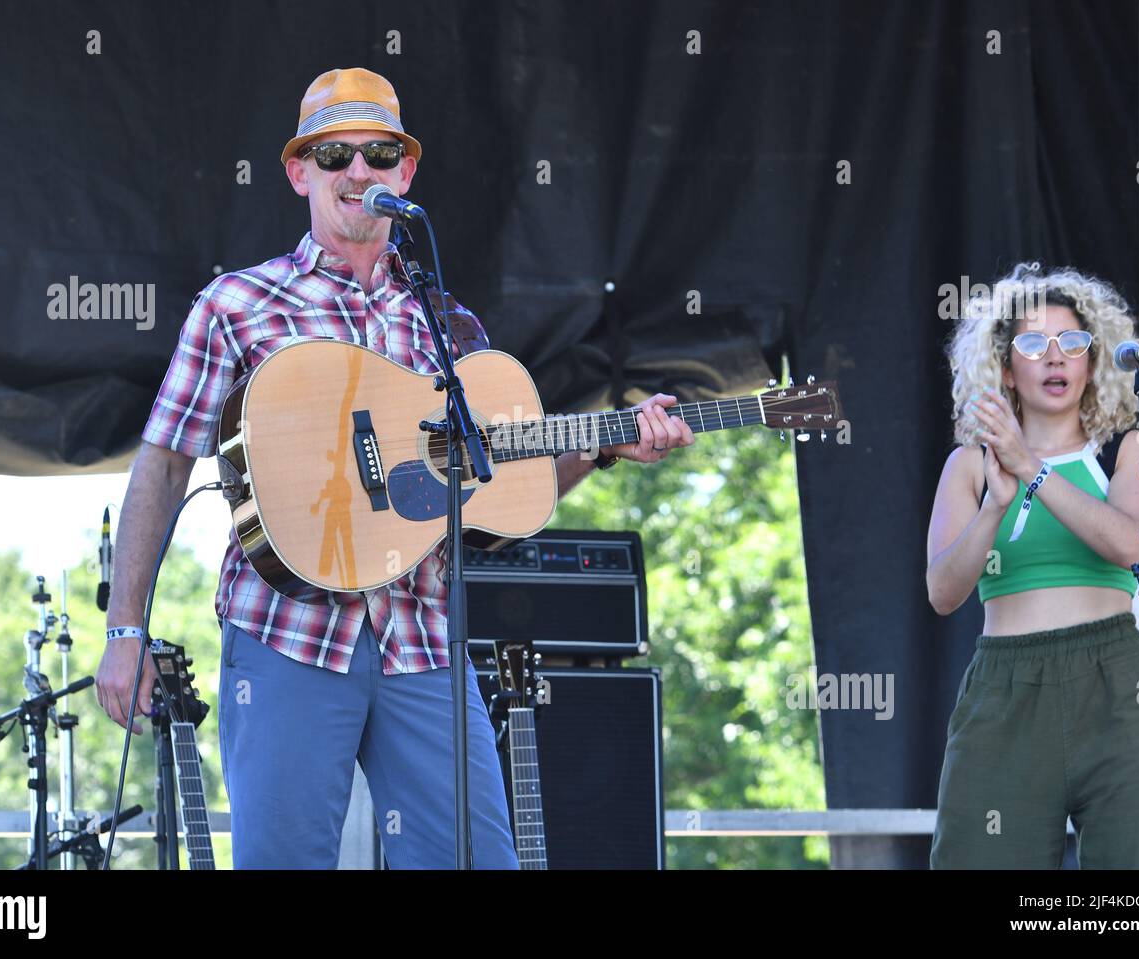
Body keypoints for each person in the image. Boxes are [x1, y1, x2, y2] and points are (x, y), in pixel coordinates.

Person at [94, 67, 694, 869]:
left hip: (422, 637)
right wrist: (125, 629)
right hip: (287, 633)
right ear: (299, 171)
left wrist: (611, 440)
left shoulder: (447, 324)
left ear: (404, 173)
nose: (358, 172)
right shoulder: (238, 304)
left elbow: (509, 485)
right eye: (334, 154)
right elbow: (164, 465)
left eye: (378, 153)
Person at [926, 262, 1139, 868]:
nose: (1055, 358)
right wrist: (997, 502)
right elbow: (943, 592)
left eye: (1072, 343)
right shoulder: (970, 465)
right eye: (1033, 343)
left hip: (1119, 679)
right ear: (1004, 366)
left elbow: (1133, 544)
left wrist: (1033, 470)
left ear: (1092, 361)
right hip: (1006, 686)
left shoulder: (1124, 447)